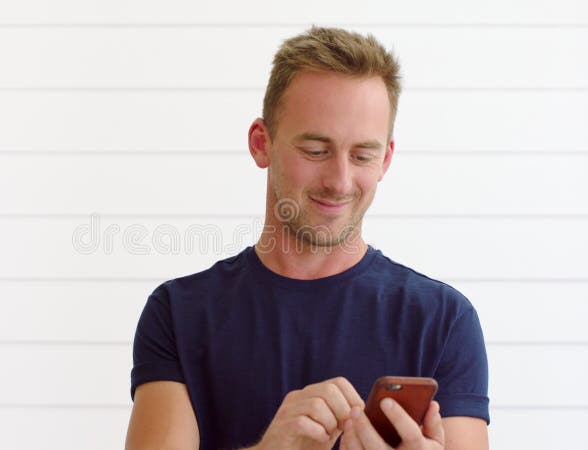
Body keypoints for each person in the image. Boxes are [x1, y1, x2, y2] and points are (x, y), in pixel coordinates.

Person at [125, 26, 489, 450]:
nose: (340, 181)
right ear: (262, 144)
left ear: (386, 159)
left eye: (362, 156)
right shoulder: (179, 314)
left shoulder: (443, 320)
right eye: (316, 150)